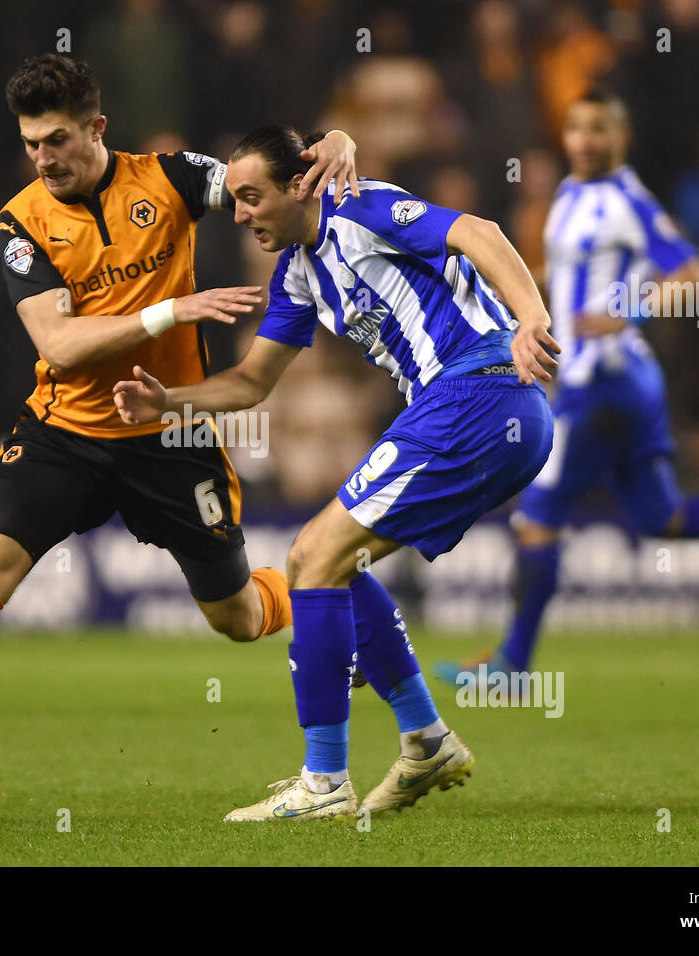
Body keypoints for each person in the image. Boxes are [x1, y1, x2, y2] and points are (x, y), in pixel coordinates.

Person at [0, 55, 360, 816]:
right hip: (64, 432)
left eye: (56, 140)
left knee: (238, 617)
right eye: (30, 144)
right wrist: (172, 312)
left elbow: (259, 179)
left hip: (169, 430)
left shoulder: (172, 179)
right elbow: (61, 346)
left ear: (96, 128)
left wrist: (331, 139)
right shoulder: (22, 223)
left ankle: (322, 591)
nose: (42, 159)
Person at [113, 125, 559, 821]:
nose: (242, 215)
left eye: (253, 196)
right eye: (234, 203)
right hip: (471, 410)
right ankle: (425, 739)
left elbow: (479, 230)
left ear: (298, 185)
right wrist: (167, 402)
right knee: (333, 563)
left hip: (484, 388)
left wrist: (531, 318)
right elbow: (253, 382)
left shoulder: (359, 207)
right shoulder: (296, 273)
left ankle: (324, 782)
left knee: (311, 557)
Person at [433, 89, 699, 691]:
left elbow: (695, 282)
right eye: (577, 128)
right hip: (620, 382)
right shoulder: (571, 195)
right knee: (665, 515)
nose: (585, 139)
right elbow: (573, 276)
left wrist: (623, 309)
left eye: (599, 129)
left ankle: (513, 670)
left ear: (620, 138)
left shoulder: (628, 201)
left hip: (603, 378)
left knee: (536, 518)